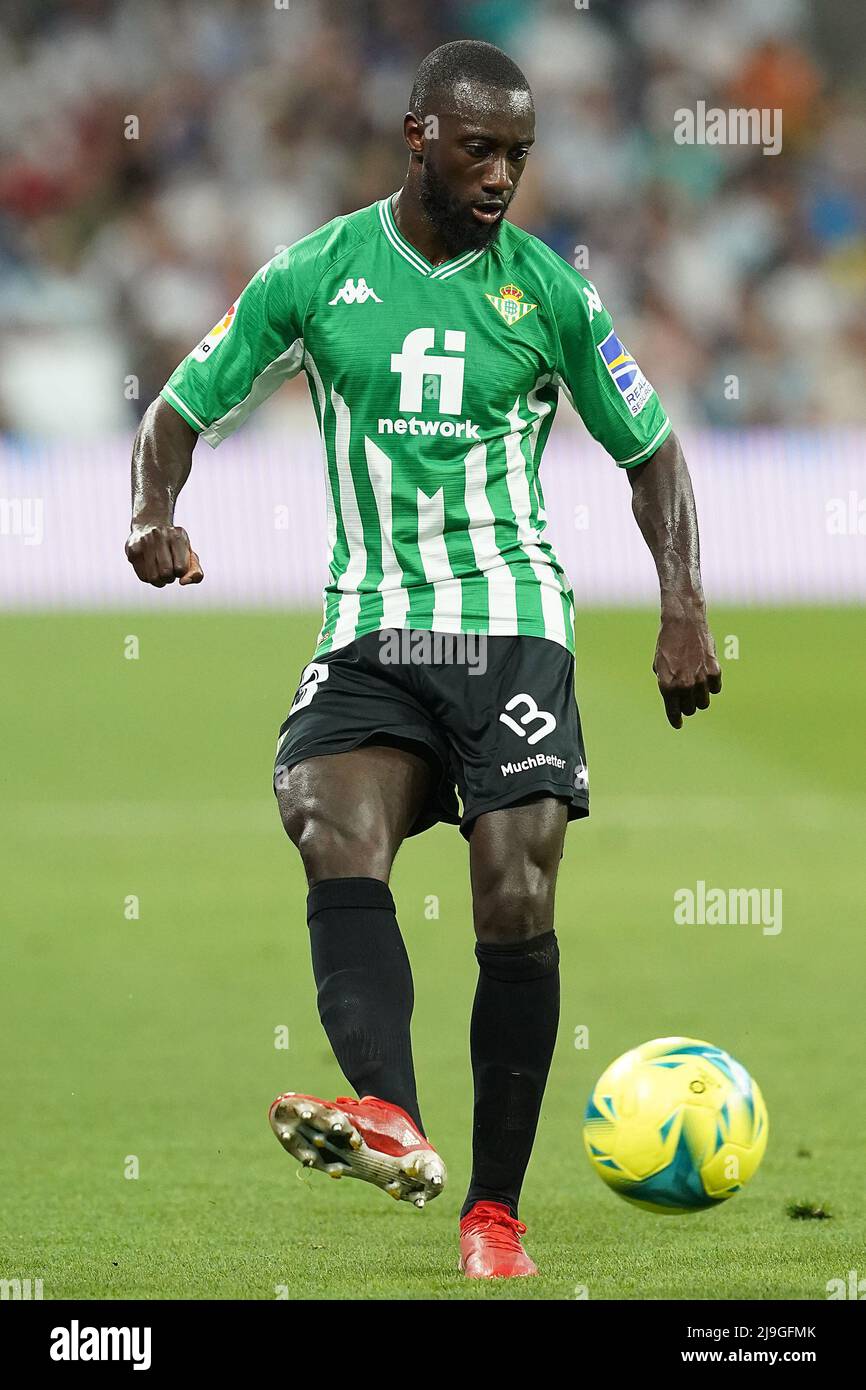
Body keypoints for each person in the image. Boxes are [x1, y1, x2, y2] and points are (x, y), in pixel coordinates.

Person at [125, 39, 721, 1280]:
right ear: (415, 135)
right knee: (322, 820)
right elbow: (178, 408)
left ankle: (491, 1211)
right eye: (479, 149)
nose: (503, 174)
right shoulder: (316, 273)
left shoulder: (550, 293)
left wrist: (680, 607)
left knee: (515, 893)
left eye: (520, 154)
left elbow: (651, 450)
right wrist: (150, 512)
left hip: (507, 623)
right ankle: (389, 1113)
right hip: (371, 626)